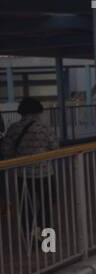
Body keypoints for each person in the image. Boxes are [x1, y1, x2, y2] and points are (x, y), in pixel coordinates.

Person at [0, 98, 58, 243]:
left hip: (23, 175)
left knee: (26, 207)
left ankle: (30, 240)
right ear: (38, 111)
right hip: (45, 173)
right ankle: (46, 241)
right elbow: (55, 146)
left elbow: (6, 150)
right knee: (45, 206)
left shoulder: (14, 128)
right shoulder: (45, 128)